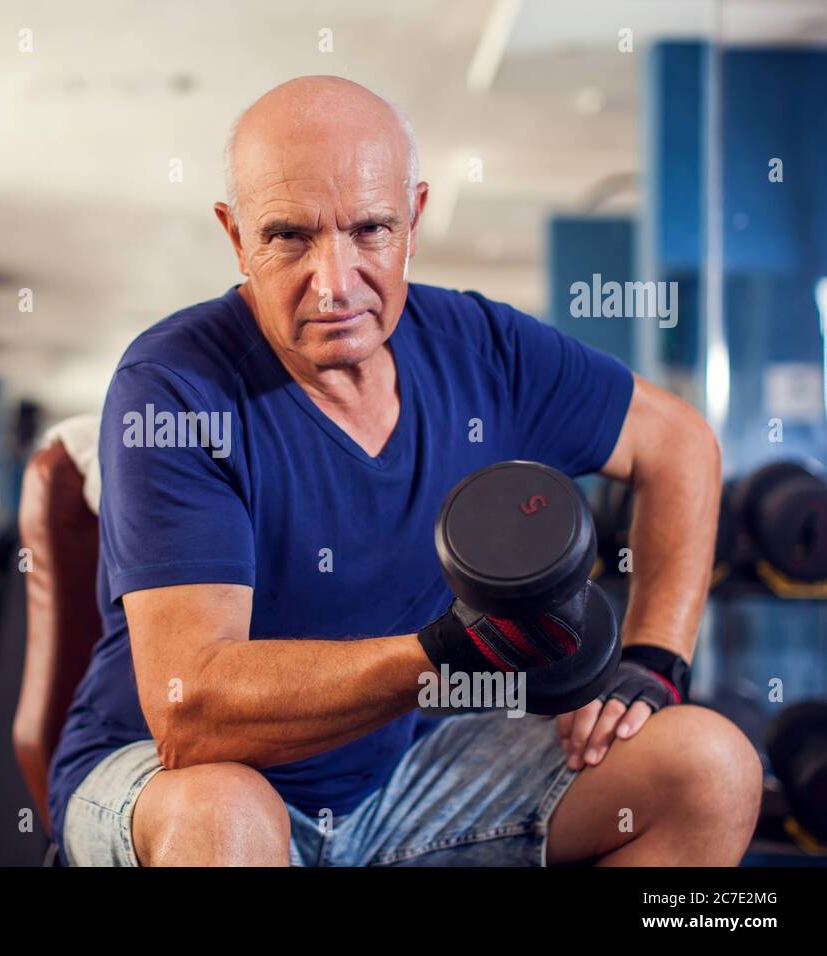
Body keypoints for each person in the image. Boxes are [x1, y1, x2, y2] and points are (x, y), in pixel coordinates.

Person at [48, 76, 760, 866]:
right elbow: (193, 714)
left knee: (710, 767)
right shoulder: (177, 386)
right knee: (230, 811)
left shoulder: (483, 348)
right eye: (289, 236)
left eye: (370, 229)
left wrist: (653, 661)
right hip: (168, 779)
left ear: (414, 219)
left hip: (401, 779)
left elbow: (680, 445)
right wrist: (450, 654)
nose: (335, 282)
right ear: (235, 235)